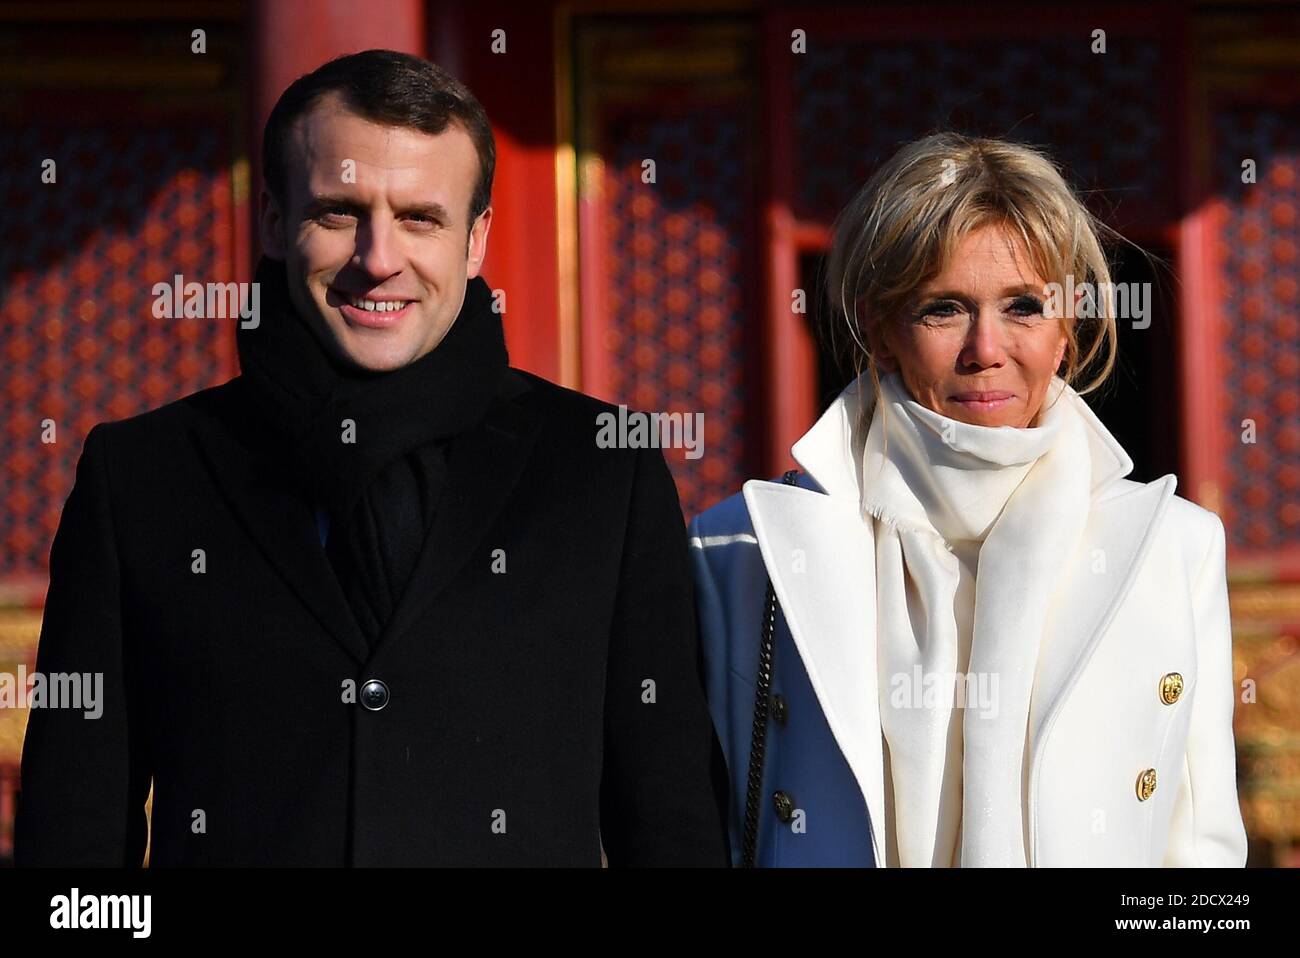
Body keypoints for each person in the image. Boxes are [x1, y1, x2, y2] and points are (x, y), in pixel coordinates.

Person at [16, 50, 729, 867]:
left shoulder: (604, 472)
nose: (378, 257)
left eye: (420, 217)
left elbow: (671, 820)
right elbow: (74, 833)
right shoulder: (141, 476)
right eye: (339, 212)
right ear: (276, 222)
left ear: (476, 240)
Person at [689, 132, 1248, 867]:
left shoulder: (1175, 547)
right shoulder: (742, 551)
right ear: (881, 329)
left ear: (1066, 332)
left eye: (1022, 306)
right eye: (943, 309)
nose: (985, 347)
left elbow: (1201, 850)